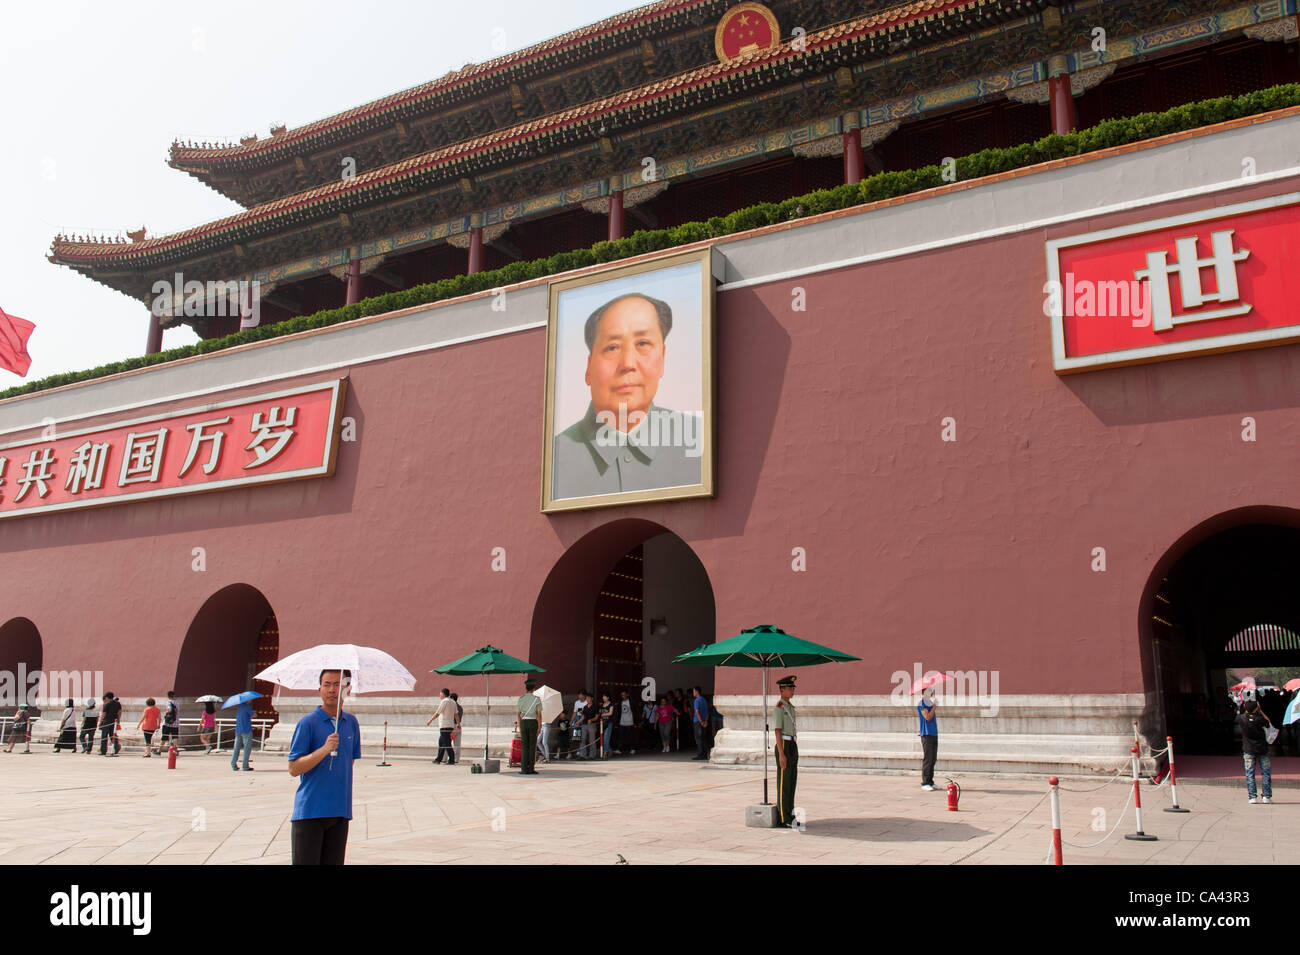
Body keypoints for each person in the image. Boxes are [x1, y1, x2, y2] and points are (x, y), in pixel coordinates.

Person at [551, 293, 703, 499]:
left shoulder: (699, 441)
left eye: (642, 344)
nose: (628, 364)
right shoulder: (554, 459)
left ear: (663, 358)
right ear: (588, 368)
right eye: (612, 347)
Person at [288, 670, 361, 865]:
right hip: (310, 812)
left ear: (348, 689)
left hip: (339, 812)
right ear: (319, 689)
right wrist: (324, 749)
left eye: (338, 685)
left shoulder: (351, 723)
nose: (331, 690)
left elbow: (348, 762)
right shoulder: (307, 723)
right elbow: (294, 768)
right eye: (327, 684)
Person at [772, 676, 798, 828]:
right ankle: (783, 817)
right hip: (783, 744)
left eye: (793, 688)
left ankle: (790, 813)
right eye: (790, 688)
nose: (793, 690)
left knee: (792, 781)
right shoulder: (779, 708)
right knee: (784, 782)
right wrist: (781, 754)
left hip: (792, 743)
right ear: (782, 690)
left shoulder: (790, 707)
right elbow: (777, 731)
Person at [1240, 698, 1273, 804]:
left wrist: (1246, 707)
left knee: (1250, 773)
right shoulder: (1260, 719)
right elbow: (1268, 722)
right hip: (1262, 749)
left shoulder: (1241, 719)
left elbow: (1241, 712)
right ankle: (1266, 796)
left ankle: (1252, 796)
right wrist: (1260, 710)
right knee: (1266, 773)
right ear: (1256, 709)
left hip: (1248, 749)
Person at [514, 679, 543, 775]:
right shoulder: (536, 699)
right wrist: (539, 727)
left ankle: (523, 768)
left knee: (524, 746)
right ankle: (530, 768)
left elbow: (518, 714)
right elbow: (539, 715)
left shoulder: (521, 699)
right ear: (533, 688)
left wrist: (520, 725)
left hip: (523, 722)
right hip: (532, 723)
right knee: (532, 746)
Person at [426, 688, 456, 765]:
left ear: (443, 694)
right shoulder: (453, 702)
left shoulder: (444, 701)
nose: (439, 695)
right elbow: (456, 714)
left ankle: (452, 759)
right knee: (442, 742)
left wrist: (430, 720)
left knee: (446, 743)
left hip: (444, 725)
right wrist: (458, 723)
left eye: (440, 694)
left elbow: (438, 712)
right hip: (450, 725)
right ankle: (438, 759)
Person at [918, 686, 939, 791]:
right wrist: (935, 707)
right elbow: (927, 717)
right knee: (928, 758)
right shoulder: (922, 704)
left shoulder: (929, 703)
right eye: (929, 690)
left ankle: (930, 781)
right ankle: (925, 782)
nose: (931, 692)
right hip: (927, 734)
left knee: (933, 758)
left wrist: (933, 705)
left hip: (933, 733)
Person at [231, 698, 255, 771]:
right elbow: (254, 715)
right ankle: (245, 766)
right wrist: (254, 712)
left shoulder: (239, 707)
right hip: (246, 729)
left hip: (238, 729)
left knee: (236, 748)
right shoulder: (247, 707)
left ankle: (233, 764)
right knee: (247, 748)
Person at [691, 686, 711, 760]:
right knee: (704, 738)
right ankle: (705, 755)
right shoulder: (704, 700)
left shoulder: (697, 700)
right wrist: (705, 721)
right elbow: (707, 712)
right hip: (704, 722)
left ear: (696, 691)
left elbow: (697, 712)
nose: (693, 693)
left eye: (693, 691)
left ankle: (700, 754)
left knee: (698, 739)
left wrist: (701, 721)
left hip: (698, 722)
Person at [617, 689, 637, 755]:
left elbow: (635, 711)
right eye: (622, 695)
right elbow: (618, 712)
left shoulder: (631, 702)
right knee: (620, 736)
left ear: (627, 695)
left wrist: (636, 721)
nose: (623, 696)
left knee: (630, 736)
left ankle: (632, 749)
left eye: (624, 695)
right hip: (622, 722)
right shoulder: (620, 702)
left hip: (630, 721)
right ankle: (619, 749)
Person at [599, 693, 615, 758]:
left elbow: (610, 713)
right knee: (604, 738)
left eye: (604, 696)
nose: (603, 698)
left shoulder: (611, 704)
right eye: (603, 696)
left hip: (609, 723)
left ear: (608, 697)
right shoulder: (602, 705)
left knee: (606, 737)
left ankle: (605, 752)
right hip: (602, 723)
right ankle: (609, 750)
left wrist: (603, 715)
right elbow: (599, 712)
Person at [450, 692, 463, 765]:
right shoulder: (460, 707)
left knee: (447, 742)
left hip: (452, 726)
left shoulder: (452, 707)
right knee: (457, 744)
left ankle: (444, 758)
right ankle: (456, 759)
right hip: (458, 726)